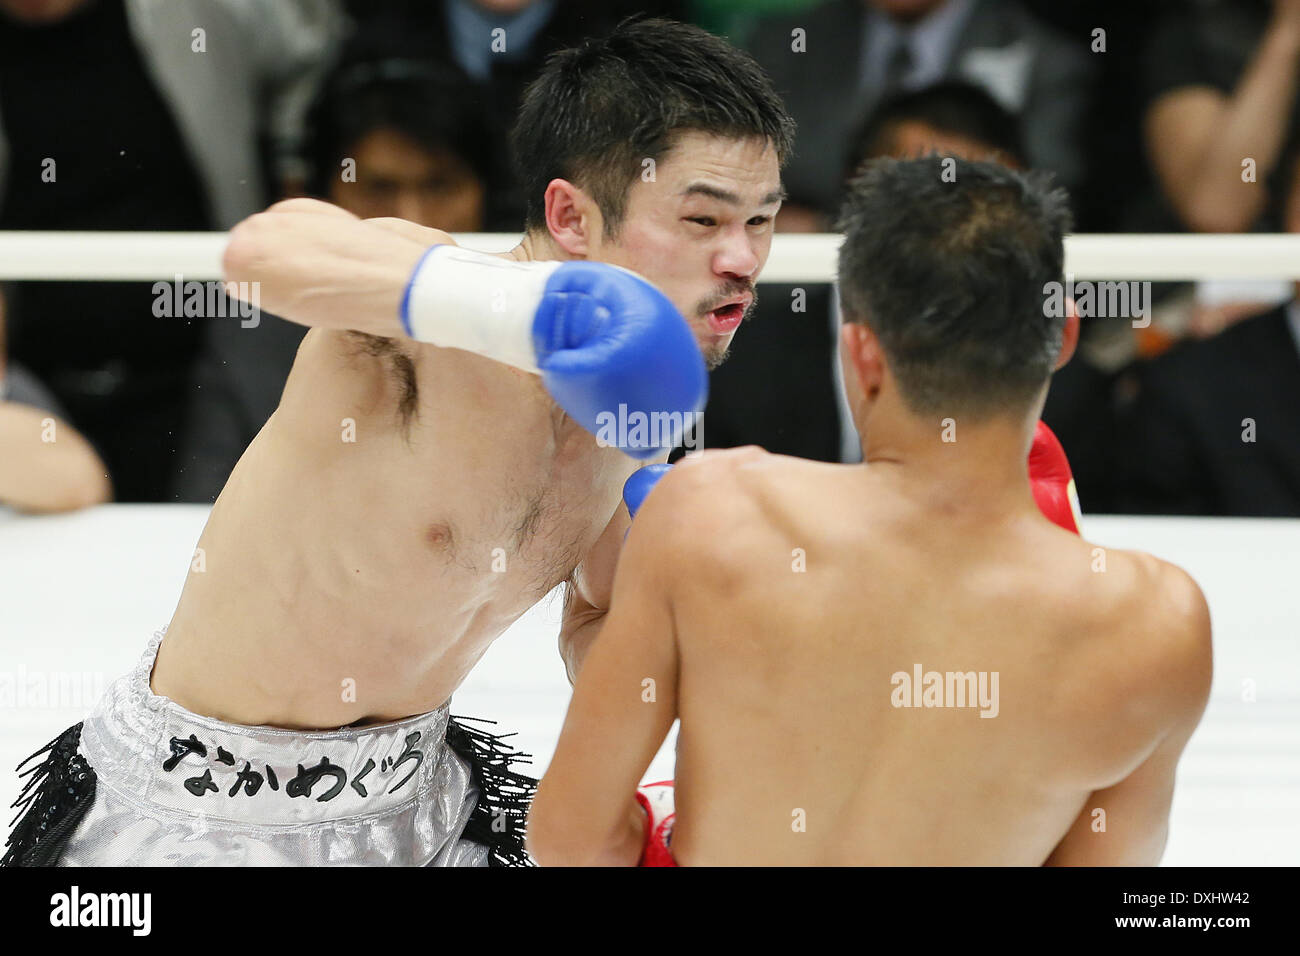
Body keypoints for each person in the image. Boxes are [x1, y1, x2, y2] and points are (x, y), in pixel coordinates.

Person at [2, 17, 794, 868]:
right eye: (705, 219)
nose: (743, 258)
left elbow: (597, 619)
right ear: (569, 214)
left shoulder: (638, 407)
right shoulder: (428, 316)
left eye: (761, 222)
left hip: (423, 810)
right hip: (198, 814)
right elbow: (265, 251)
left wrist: (683, 665)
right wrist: (528, 312)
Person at [527, 156, 1212, 866]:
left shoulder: (709, 512)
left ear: (860, 350)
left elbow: (571, 838)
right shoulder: (1159, 622)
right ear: (1064, 335)